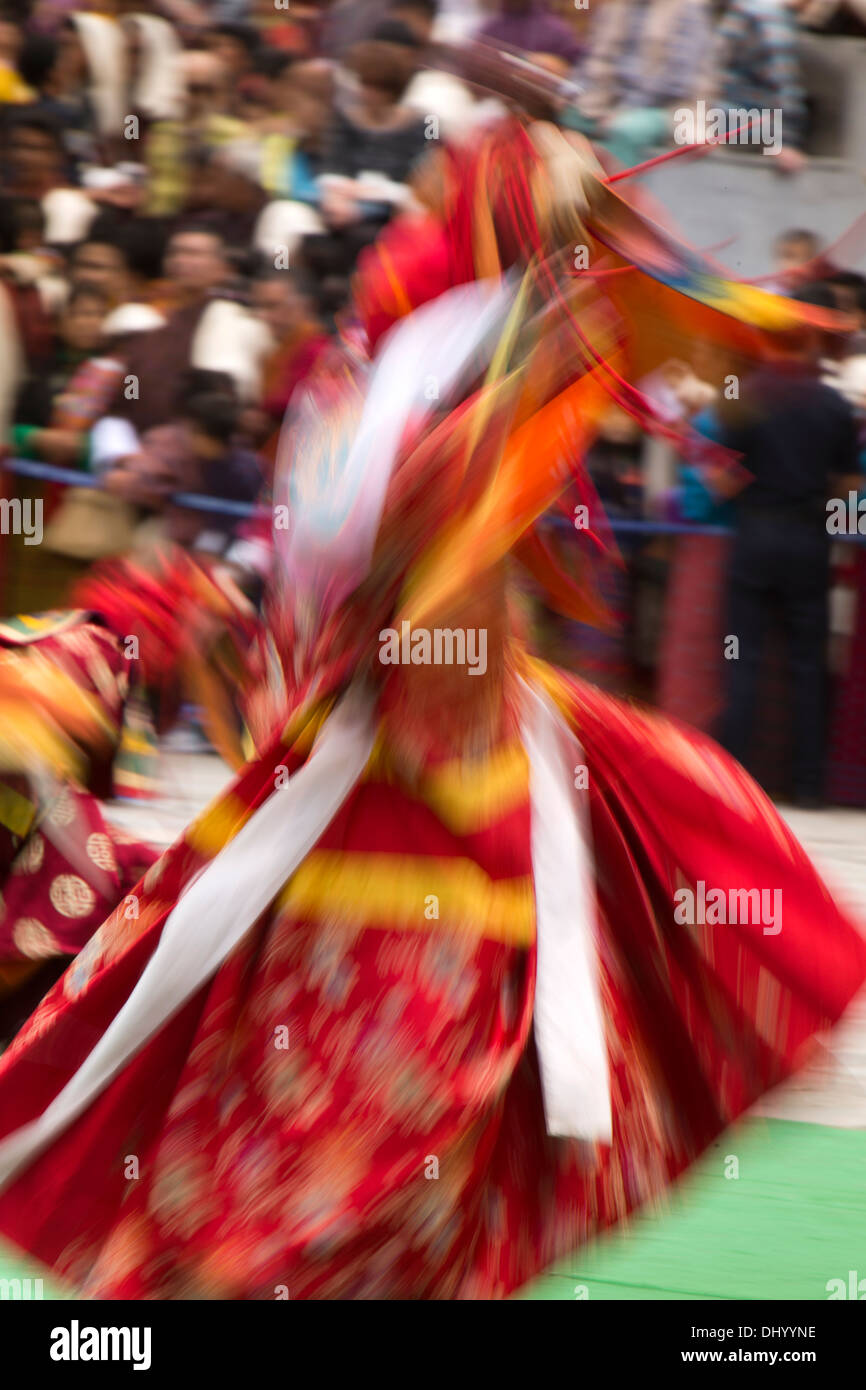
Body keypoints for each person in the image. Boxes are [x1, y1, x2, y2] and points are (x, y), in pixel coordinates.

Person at [0, 113, 863, 1303]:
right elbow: (374, 606)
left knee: (345, 1124)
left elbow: (397, 612)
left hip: (415, 789)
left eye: (422, 205)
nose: (398, 225)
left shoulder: (416, 394)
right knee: (341, 1127)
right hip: (392, 792)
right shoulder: (399, 391)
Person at [718, 308, 860, 804]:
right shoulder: (834, 405)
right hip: (810, 542)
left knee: (742, 658)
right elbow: (848, 484)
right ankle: (808, 785)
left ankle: (732, 779)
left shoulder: (746, 394)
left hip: (755, 539)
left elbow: (723, 477)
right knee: (807, 666)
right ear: (809, 344)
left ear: (766, 339)